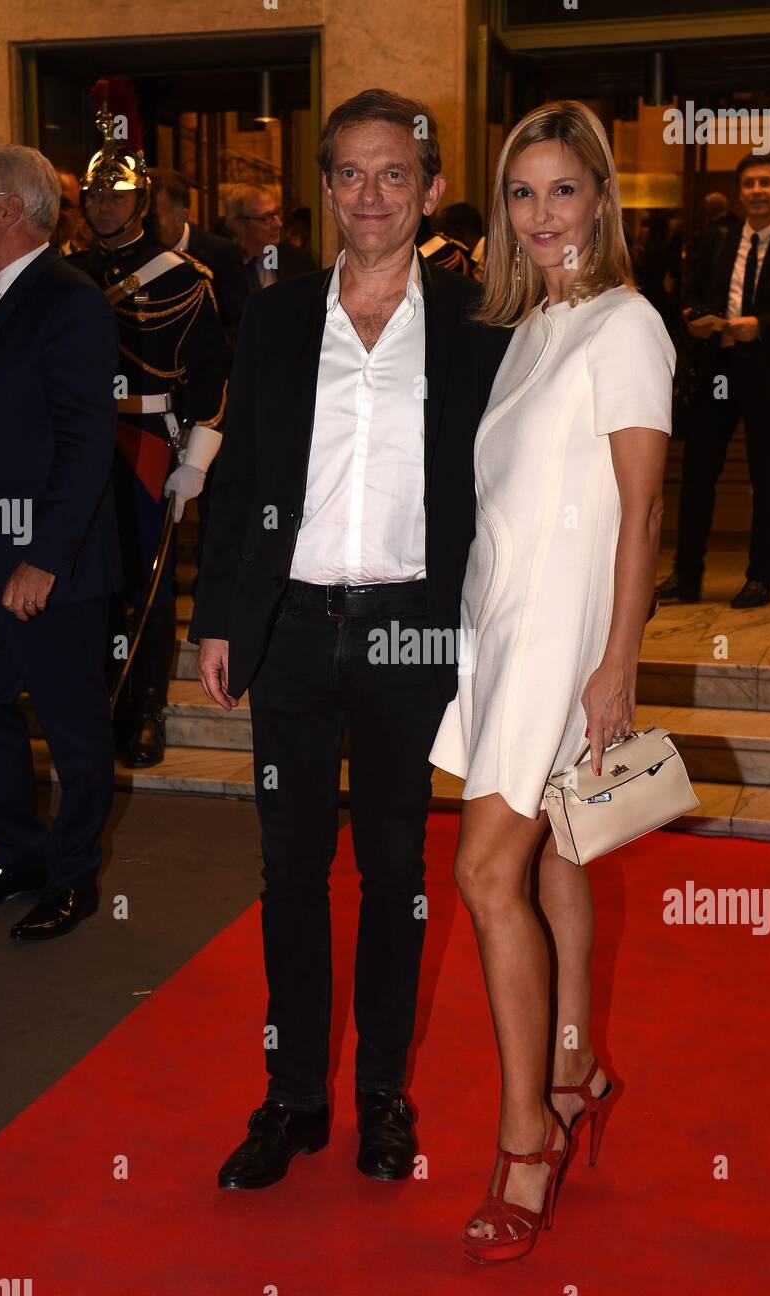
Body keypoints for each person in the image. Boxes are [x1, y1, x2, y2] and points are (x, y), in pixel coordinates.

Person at [190, 88, 510, 1191]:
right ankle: (292, 1098)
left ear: (425, 190)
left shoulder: (477, 320)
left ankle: (382, 1093)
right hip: (288, 631)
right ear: (323, 191)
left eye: (394, 174)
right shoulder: (276, 316)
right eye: (350, 174)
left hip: (407, 636)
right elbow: (242, 480)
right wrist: (219, 618)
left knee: (390, 869)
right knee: (289, 872)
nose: (371, 194)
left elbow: (501, 489)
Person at [428, 99, 675, 1262]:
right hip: (500, 625)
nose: (538, 214)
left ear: (599, 200)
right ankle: (575, 1063)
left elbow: (642, 514)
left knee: (486, 872)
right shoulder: (532, 327)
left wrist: (613, 662)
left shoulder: (625, 324)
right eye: (519, 193)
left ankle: (527, 1133)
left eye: (561, 190)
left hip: (560, 642)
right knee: (560, 851)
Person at [71, 105, 229, 767]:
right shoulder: (65, 273)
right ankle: (92, 709)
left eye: (119, 193)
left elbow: (213, 381)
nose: (106, 204)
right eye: (96, 193)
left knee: (147, 586)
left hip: (146, 445)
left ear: (143, 200)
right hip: (78, 447)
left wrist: (194, 462)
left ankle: (143, 712)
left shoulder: (184, 278)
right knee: (85, 584)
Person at [0, 146, 121, 940]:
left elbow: (86, 439)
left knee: (74, 731)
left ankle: (73, 879)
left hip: (50, 567)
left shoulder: (69, 300)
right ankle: (24, 850)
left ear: (6, 208)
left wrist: (43, 554)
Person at [659, 152, 770, 607]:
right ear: (740, 192)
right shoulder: (718, 238)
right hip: (717, 371)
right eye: (750, 183)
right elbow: (692, 296)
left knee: (767, 479)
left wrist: (764, 326)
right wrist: (692, 319)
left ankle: (760, 577)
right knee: (697, 475)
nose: (757, 191)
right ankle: (687, 575)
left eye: (766, 183)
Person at [146, 168, 248, 342]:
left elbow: (238, 324)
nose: (144, 224)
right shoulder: (137, 251)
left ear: (181, 217)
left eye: (153, 217)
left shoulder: (220, 253)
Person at [224, 183, 315, 293]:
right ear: (240, 225)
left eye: (276, 213)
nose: (278, 224)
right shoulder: (219, 265)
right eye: (266, 218)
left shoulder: (299, 261)